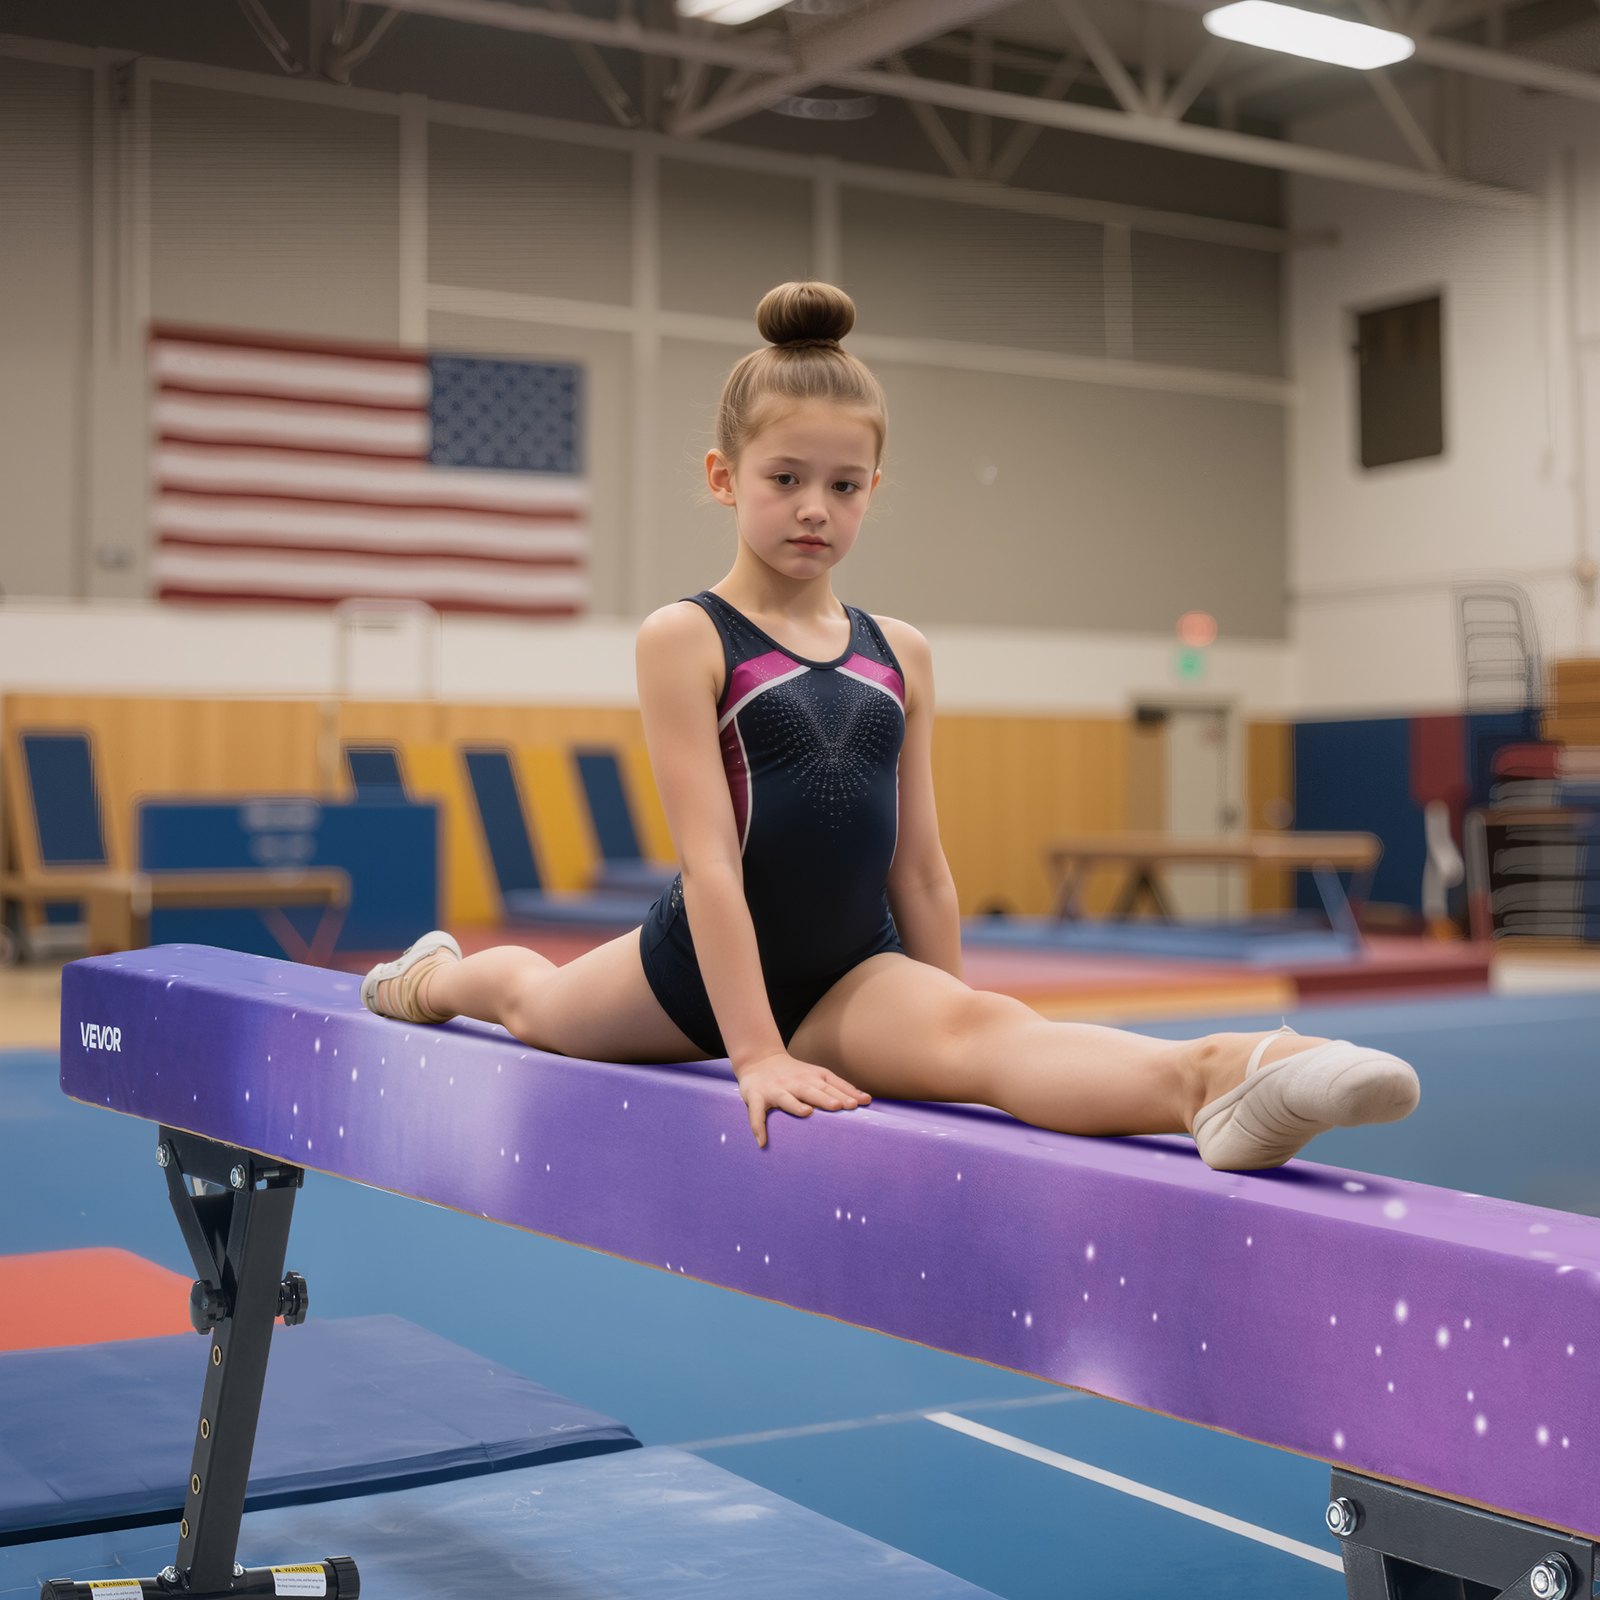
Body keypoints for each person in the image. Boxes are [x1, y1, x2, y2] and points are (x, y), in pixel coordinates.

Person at [363, 280, 1420, 1167]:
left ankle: (1227, 1075)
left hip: (854, 966)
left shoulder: (898, 651)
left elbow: (919, 870)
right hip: (699, 967)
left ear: (875, 488)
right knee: (535, 1006)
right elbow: (714, 866)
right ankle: (437, 972)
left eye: (844, 484)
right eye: (784, 480)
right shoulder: (685, 636)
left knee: (996, 1035)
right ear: (723, 480)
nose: (814, 507)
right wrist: (754, 1055)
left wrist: (942, 1022)